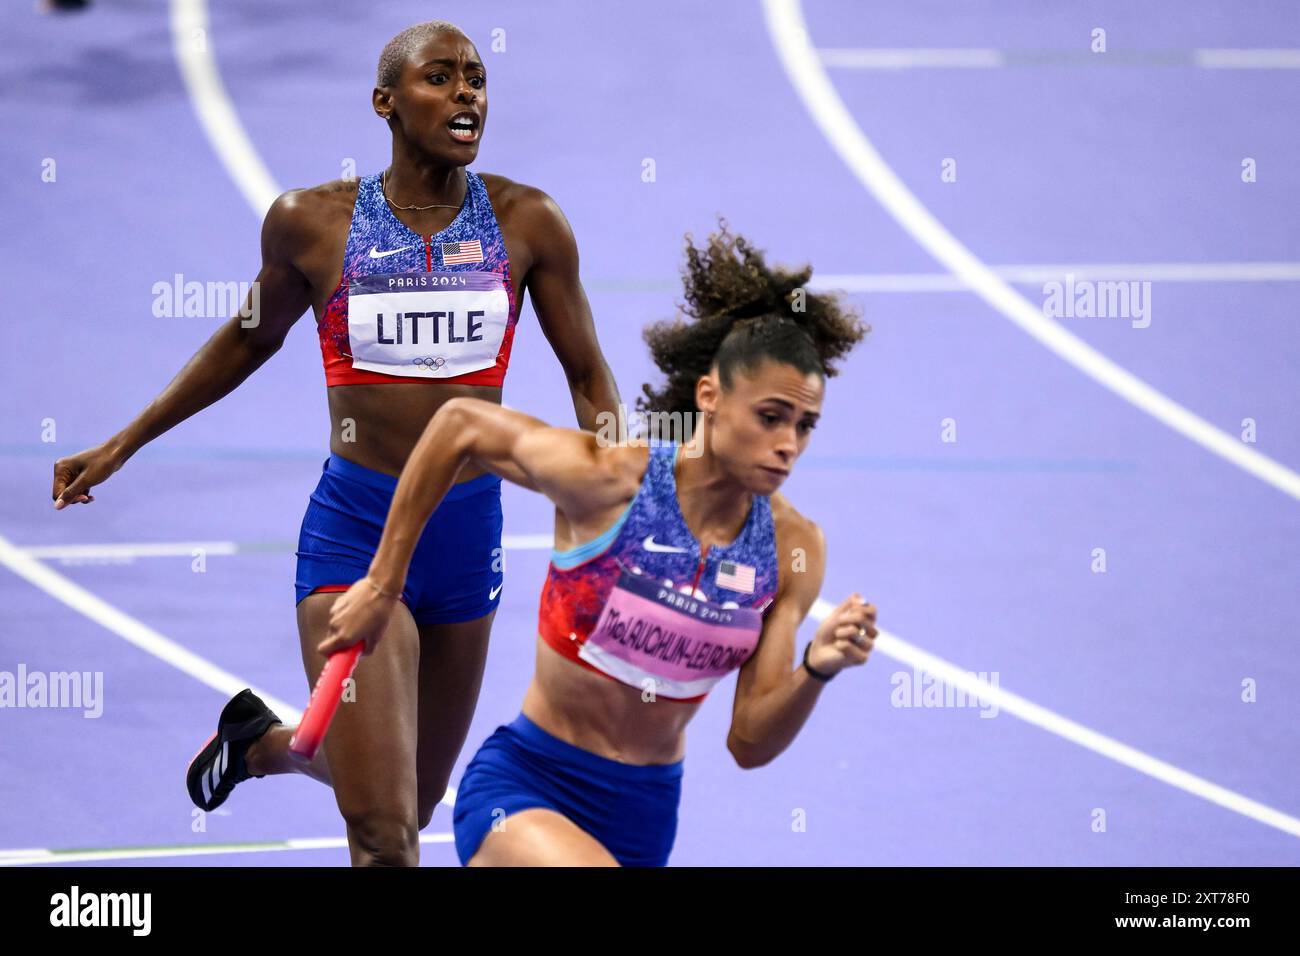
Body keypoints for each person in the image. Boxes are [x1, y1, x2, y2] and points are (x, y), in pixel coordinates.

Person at [49, 20, 620, 866]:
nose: (468, 92)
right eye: (442, 77)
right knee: (385, 838)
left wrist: (620, 496)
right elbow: (247, 340)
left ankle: (263, 745)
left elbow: (587, 375)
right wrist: (125, 441)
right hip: (354, 535)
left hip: (466, 541)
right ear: (385, 103)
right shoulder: (312, 224)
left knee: (416, 801)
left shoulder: (527, 223)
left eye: (477, 78)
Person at [321, 226, 876, 866]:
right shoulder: (614, 481)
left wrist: (816, 669)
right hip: (527, 786)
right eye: (771, 417)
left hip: (643, 816)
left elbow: (749, 741)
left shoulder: (790, 547)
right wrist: (383, 585)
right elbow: (459, 425)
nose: (789, 444)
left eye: (805, 426)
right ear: (710, 398)